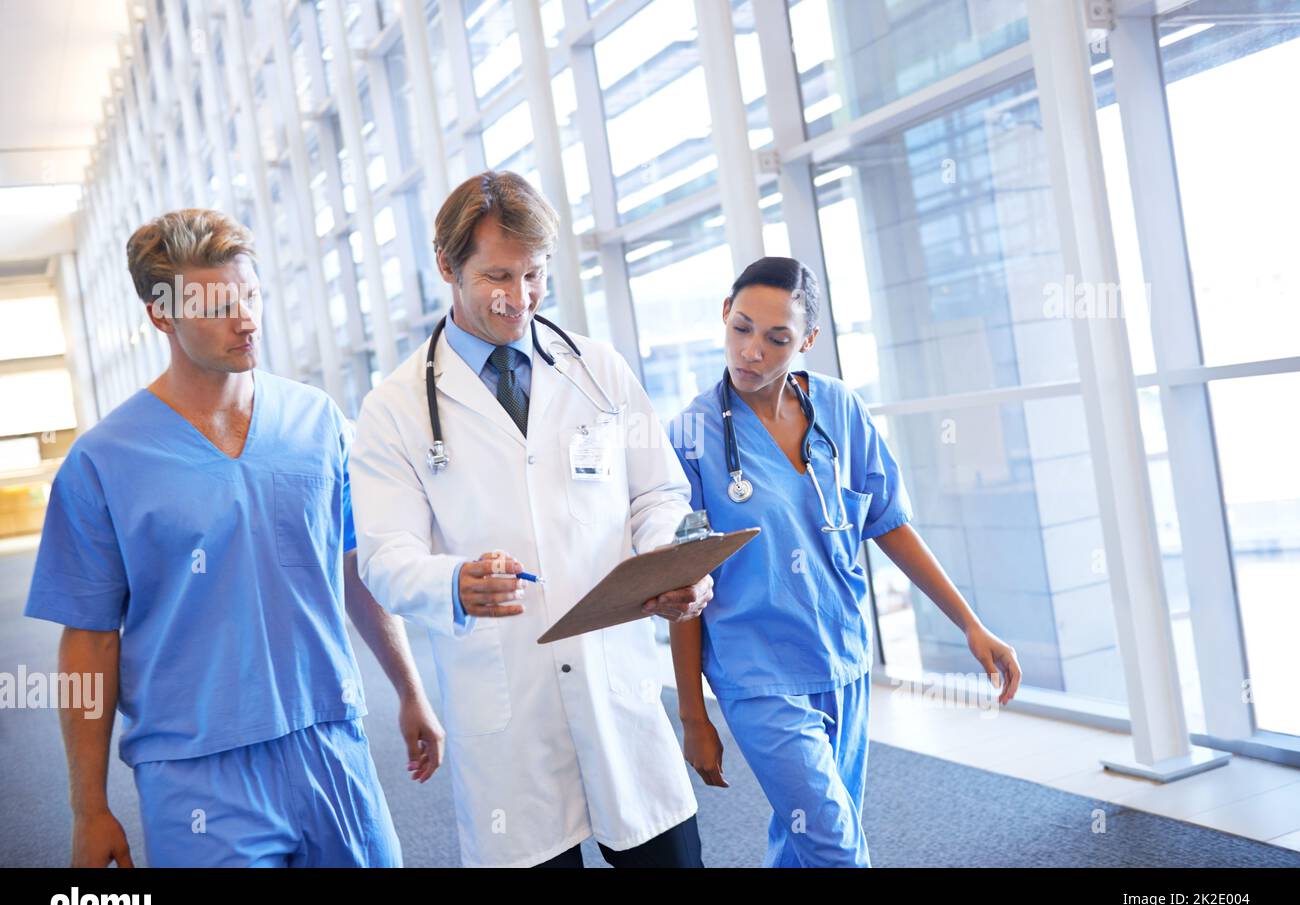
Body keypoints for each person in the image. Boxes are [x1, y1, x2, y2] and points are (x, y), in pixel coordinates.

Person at [24, 208, 441, 867]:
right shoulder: (103, 461)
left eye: (250, 295)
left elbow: (354, 563)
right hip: (195, 769)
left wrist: (410, 688)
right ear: (163, 315)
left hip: (330, 736)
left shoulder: (316, 421)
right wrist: (89, 806)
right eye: (218, 304)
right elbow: (90, 637)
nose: (244, 318)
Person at [350, 170, 712, 868]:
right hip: (506, 708)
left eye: (535, 275)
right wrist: (455, 582)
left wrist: (669, 556)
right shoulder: (393, 408)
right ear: (446, 265)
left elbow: (657, 493)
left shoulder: (596, 368)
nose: (519, 299)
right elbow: (384, 558)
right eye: (498, 277)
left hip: (617, 695)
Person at [666, 256, 1022, 867]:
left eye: (777, 339)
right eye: (742, 328)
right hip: (759, 676)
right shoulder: (691, 436)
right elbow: (682, 587)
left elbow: (889, 524)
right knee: (837, 847)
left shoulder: (839, 409)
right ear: (725, 315)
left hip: (844, 661)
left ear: (806, 341)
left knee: (804, 841)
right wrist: (694, 714)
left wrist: (970, 622)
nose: (752, 351)